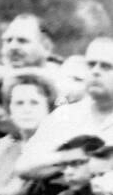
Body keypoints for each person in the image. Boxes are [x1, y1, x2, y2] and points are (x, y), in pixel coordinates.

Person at [15, 37, 113, 180]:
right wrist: (71, 155)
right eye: (91, 65)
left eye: (105, 66)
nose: (95, 71)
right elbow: (23, 166)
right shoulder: (65, 115)